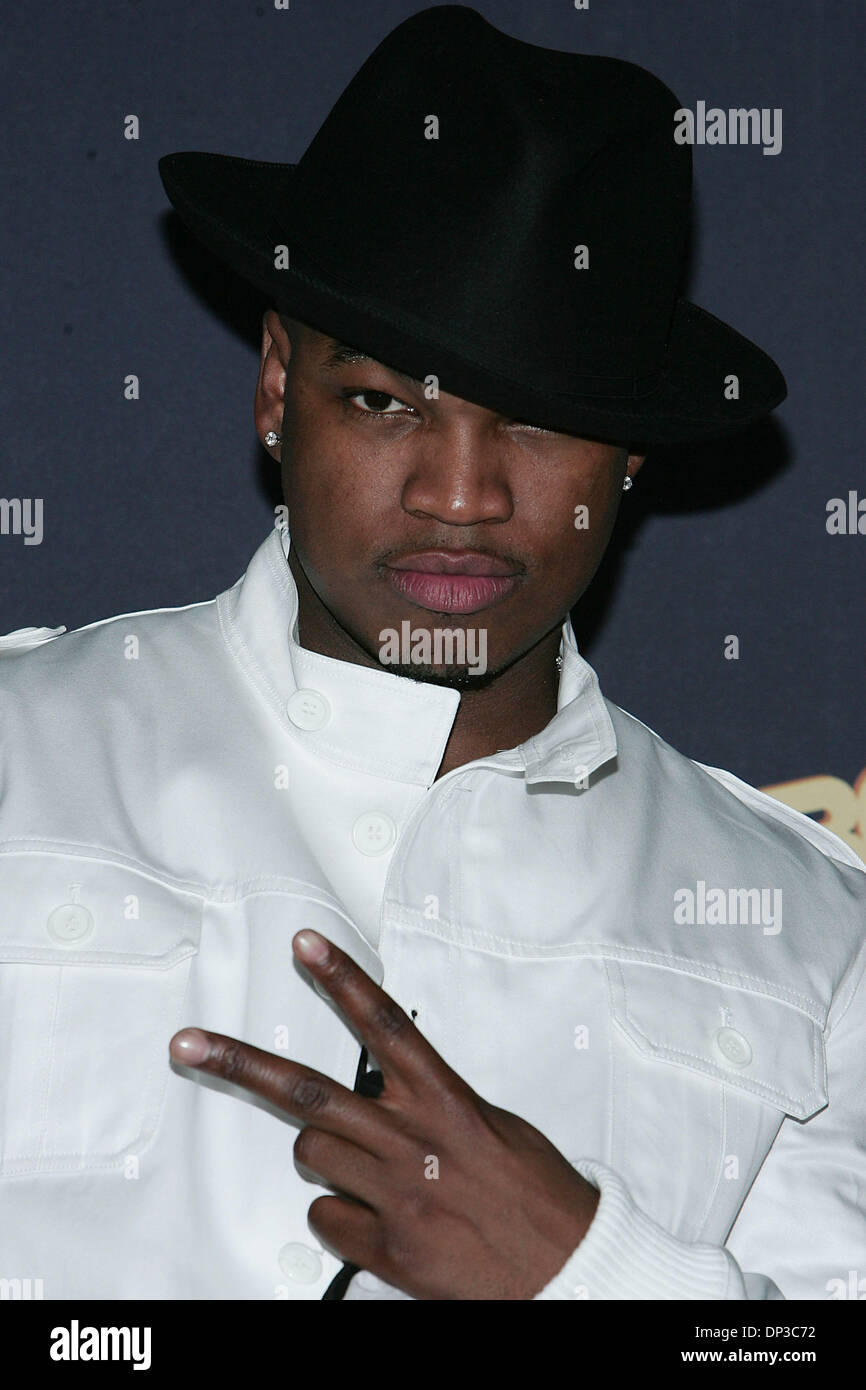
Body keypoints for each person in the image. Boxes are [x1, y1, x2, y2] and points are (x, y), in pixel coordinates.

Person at [1, 5, 863, 1302]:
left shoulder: (810, 929)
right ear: (276, 386)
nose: (459, 495)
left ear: (629, 451)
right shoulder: (19, 761)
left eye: (540, 419)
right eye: (383, 402)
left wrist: (587, 1273)